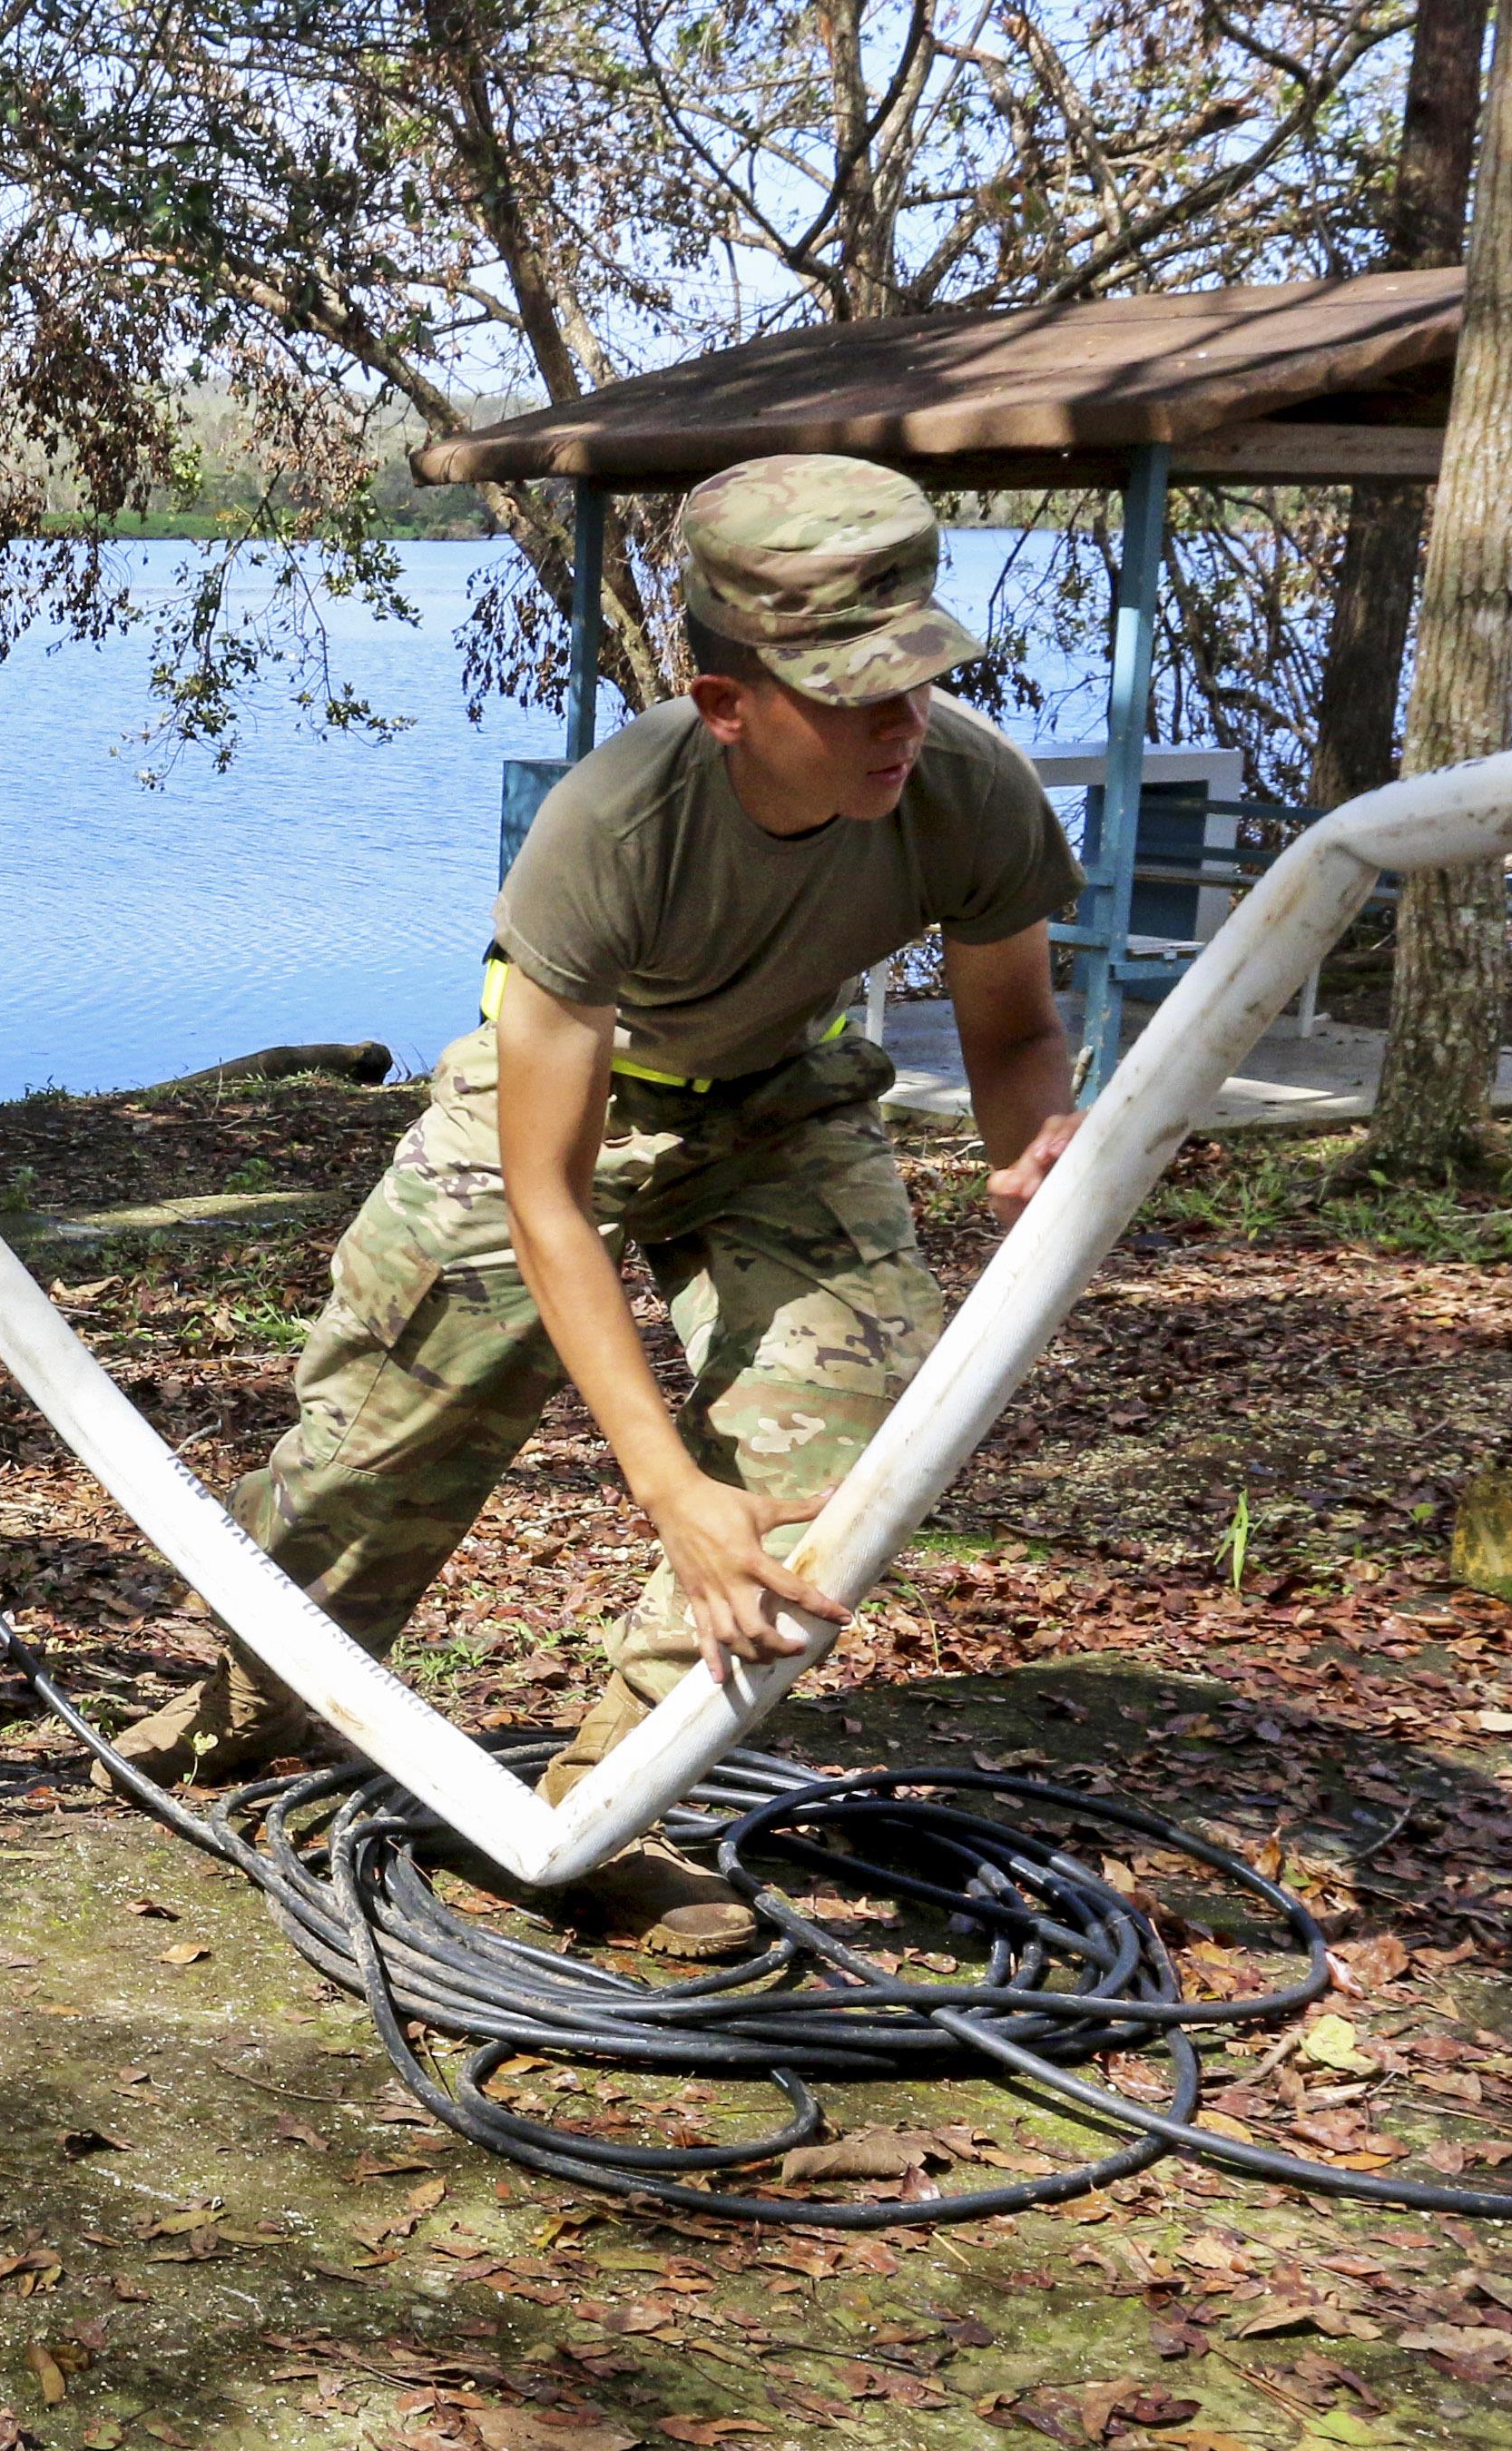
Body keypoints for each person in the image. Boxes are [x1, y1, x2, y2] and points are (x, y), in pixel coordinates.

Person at [113, 455, 1086, 1956]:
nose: (901, 719)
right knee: (369, 1459)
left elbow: (1013, 1031)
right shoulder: (613, 827)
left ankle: (617, 1812)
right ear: (727, 704)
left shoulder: (962, 791)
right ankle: (260, 1701)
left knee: (839, 1458)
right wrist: (666, 1493)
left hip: (779, 1110)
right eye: (850, 690)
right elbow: (548, 1194)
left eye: (918, 672)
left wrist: (1035, 1156)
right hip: (561, 1114)